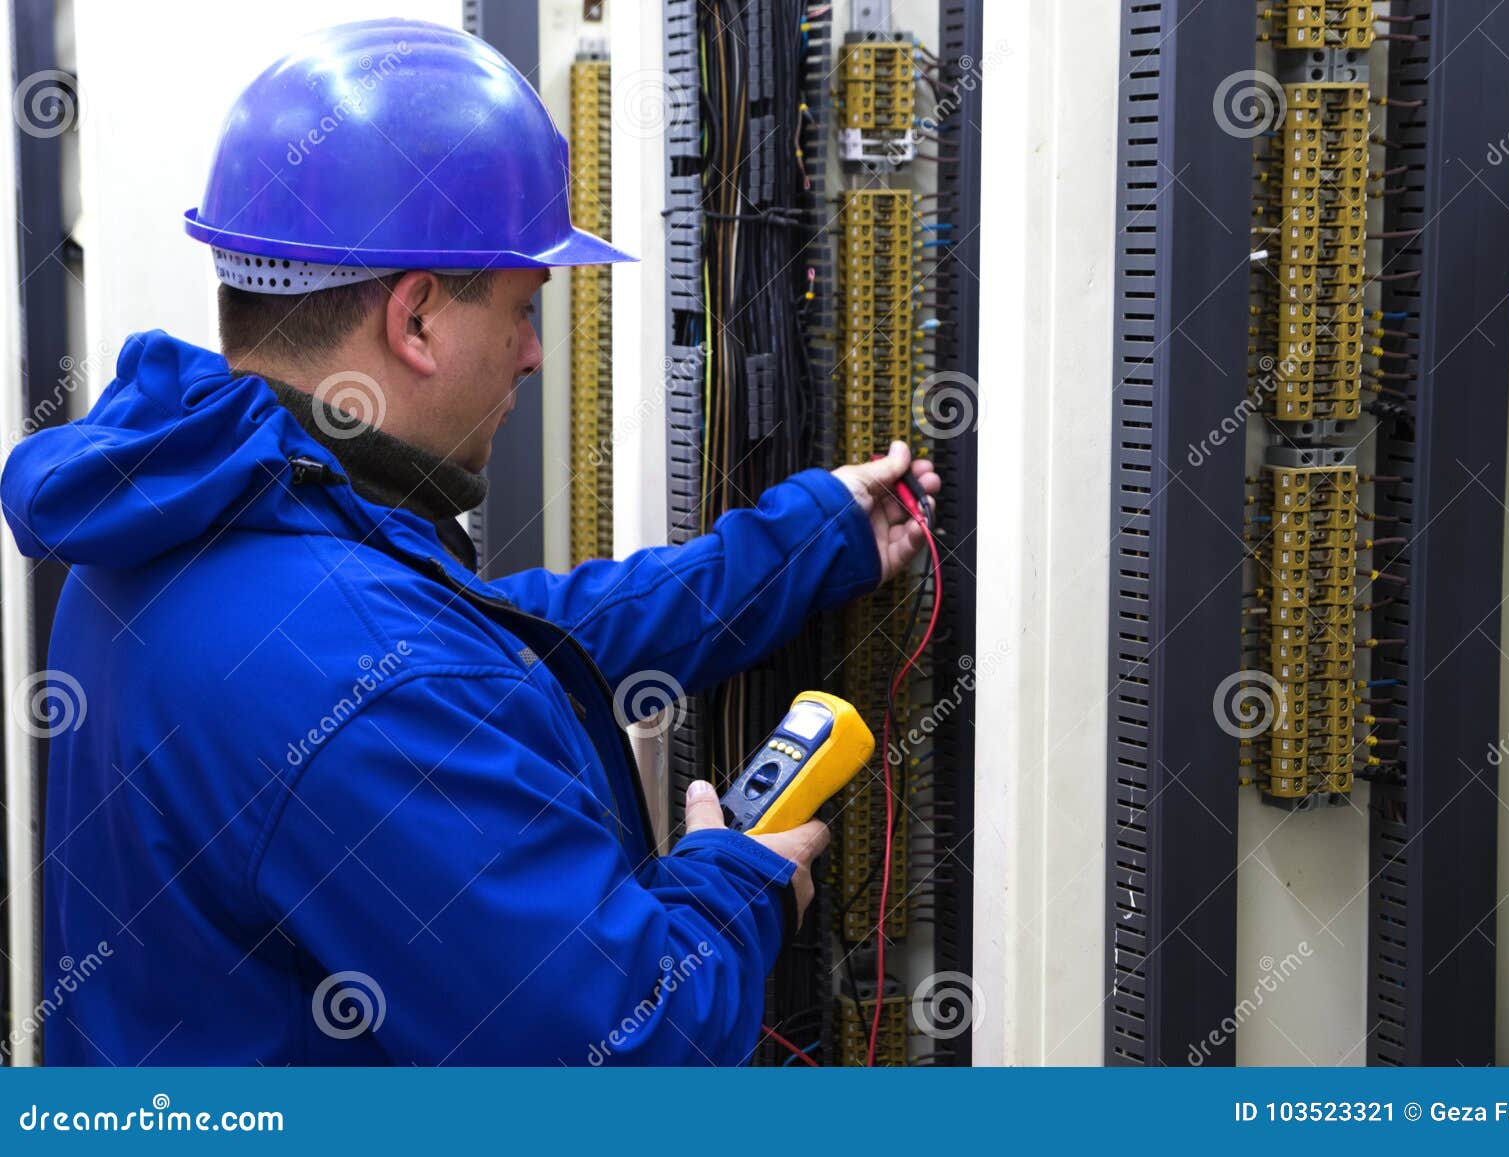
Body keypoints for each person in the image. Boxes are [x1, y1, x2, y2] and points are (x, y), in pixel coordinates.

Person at [0, 18, 938, 1065]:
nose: (535, 354)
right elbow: (628, 1046)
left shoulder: (176, 508)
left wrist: (803, 541)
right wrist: (736, 878)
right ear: (416, 319)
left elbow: (497, 639)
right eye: (524, 305)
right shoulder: (360, 674)